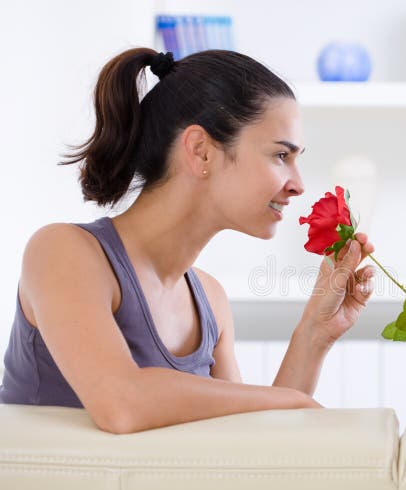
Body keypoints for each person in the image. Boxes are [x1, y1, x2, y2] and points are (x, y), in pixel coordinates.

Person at [0, 47, 375, 433]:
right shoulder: (64, 253)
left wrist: (315, 332)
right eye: (281, 155)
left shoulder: (210, 300)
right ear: (201, 151)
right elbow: (121, 404)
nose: (297, 184)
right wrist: (291, 400)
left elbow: (248, 442)